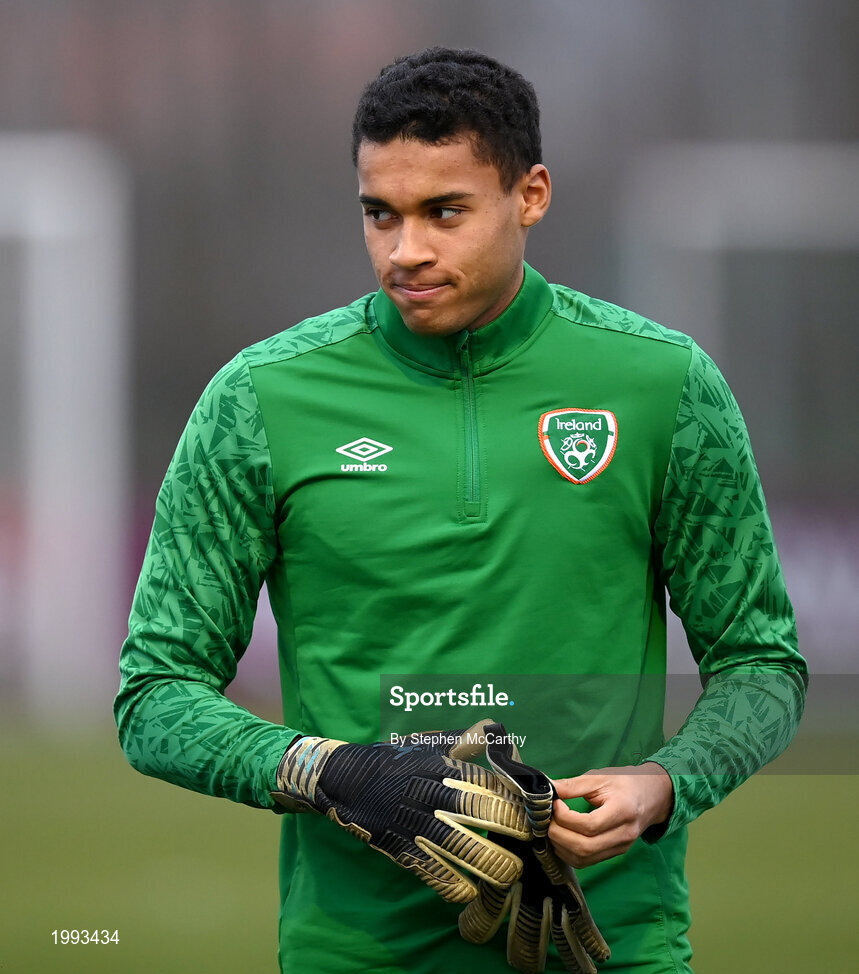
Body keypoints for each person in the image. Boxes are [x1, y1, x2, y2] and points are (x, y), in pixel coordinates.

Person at [115, 47, 807, 973]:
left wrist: (665, 783)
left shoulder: (663, 386)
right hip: (355, 951)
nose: (406, 250)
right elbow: (154, 696)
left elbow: (761, 662)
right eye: (379, 214)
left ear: (529, 195)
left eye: (444, 211)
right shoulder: (260, 399)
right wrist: (333, 772)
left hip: (611, 944)